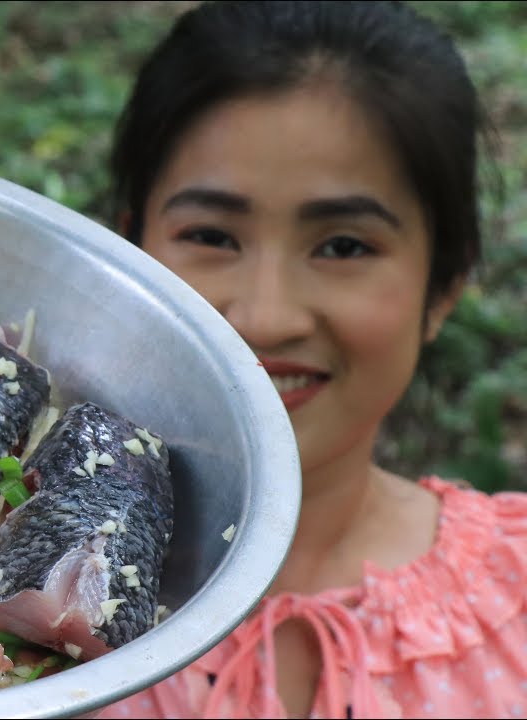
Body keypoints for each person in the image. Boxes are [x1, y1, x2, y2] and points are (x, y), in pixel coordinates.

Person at [95, 1, 524, 718]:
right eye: (211, 234)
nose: (266, 317)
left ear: (444, 286)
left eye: (344, 247)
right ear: (131, 251)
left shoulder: (512, 604)